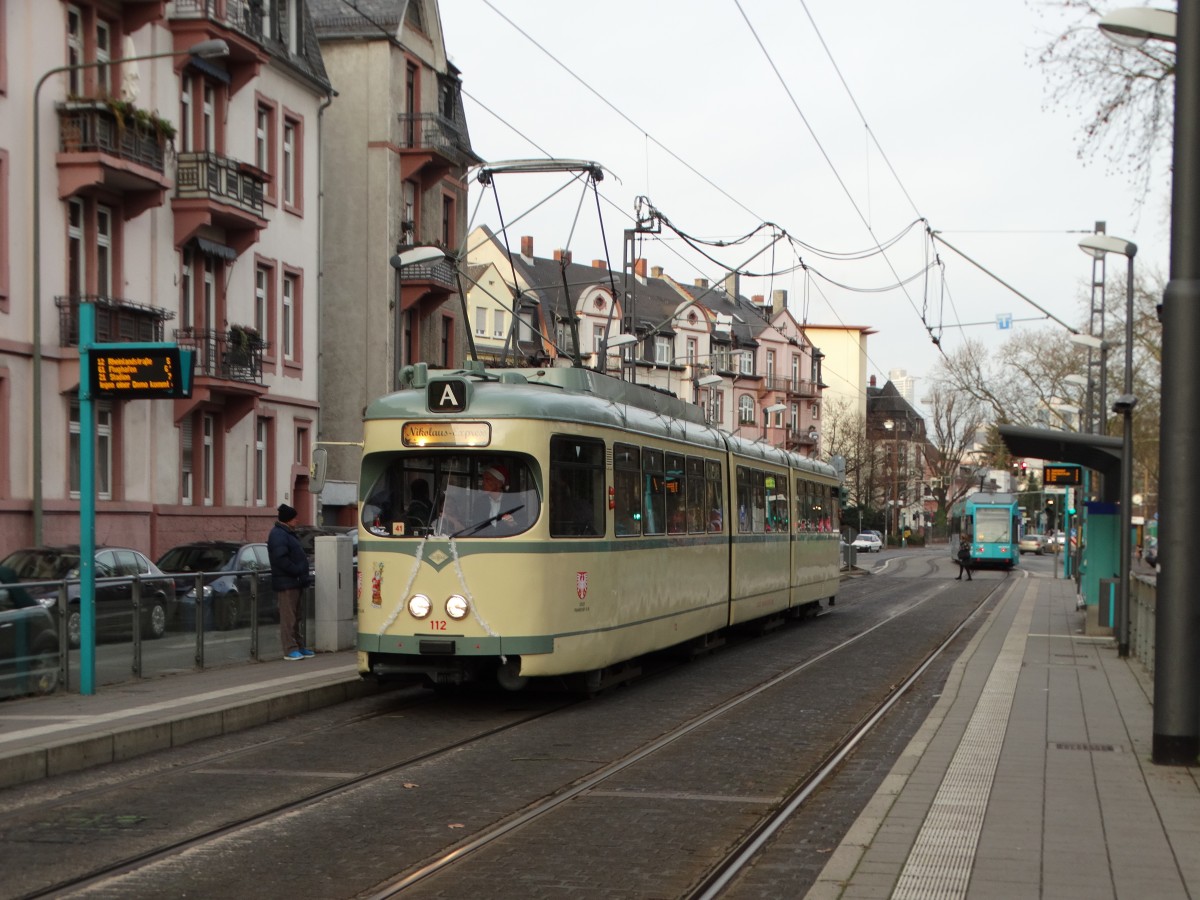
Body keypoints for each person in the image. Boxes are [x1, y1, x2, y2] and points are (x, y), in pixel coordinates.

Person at [268, 503, 313, 660]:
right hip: (287, 581)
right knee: (289, 617)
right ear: (287, 519)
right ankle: (290, 648)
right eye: (295, 518)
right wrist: (296, 570)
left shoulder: (287, 533)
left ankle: (299, 646)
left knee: (296, 616)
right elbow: (280, 559)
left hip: (294, 581)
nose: (297, 520)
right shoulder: (279, 535)